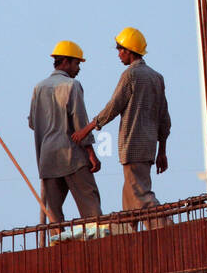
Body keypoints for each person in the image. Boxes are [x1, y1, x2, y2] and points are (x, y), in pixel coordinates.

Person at [71, 27, 170, 216]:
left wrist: (87, 128)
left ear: (128, 51)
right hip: (149, 147)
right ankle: (131, 234)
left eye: (119, 49)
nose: (118, 54)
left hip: (133, 145)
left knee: (141, 196)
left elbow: (113, 106)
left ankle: (164, 228)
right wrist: (162, 151)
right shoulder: (157, 77)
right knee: (130, 200)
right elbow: (164, 118)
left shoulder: (130, 75)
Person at [29, 41, 103, 227]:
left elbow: (33, 123)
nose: (78, 69)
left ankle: (58, 249)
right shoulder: (72, 85)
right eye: (77, 63)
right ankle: (97, 246)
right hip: (72, 156)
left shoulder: (39, 88)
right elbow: (80, 123)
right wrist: (91, 154)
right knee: (91, 207)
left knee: (54, 217)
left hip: (47, 158)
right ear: (66, 62)